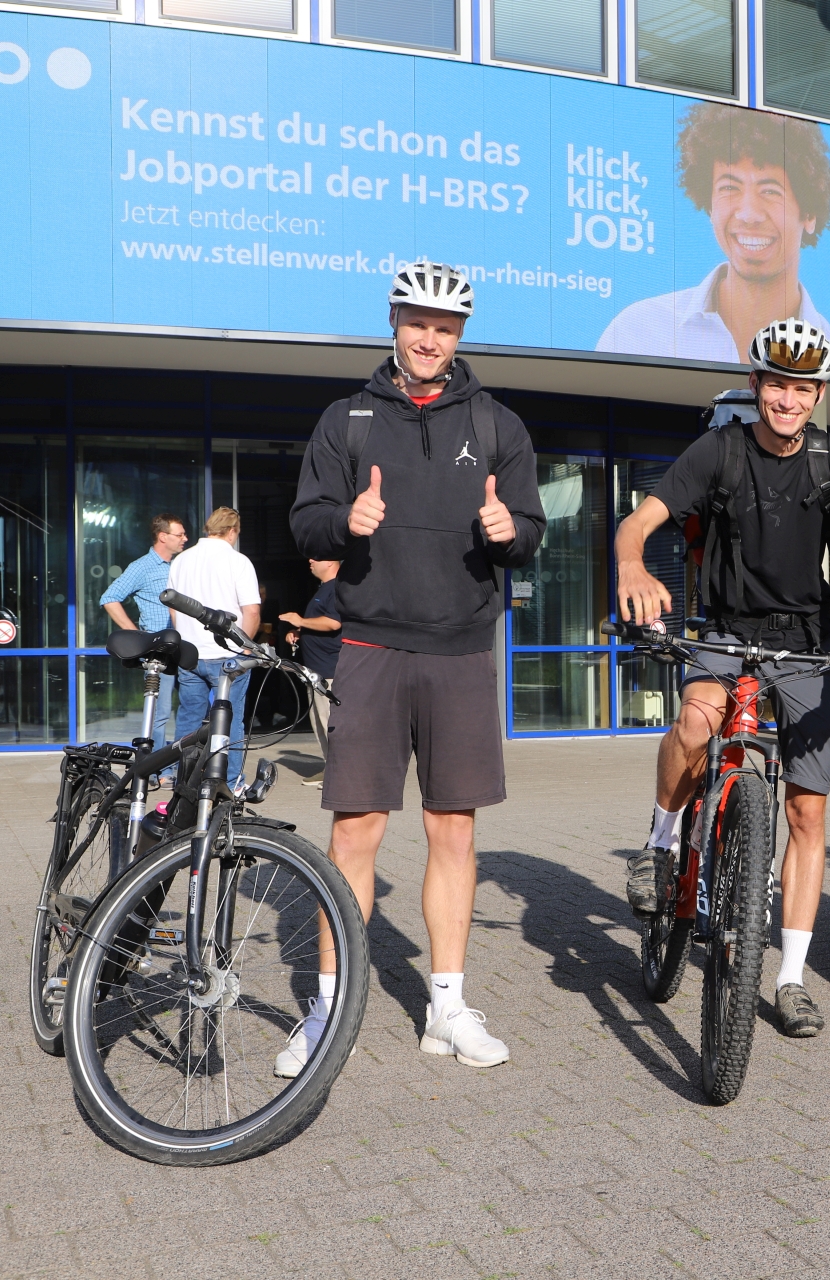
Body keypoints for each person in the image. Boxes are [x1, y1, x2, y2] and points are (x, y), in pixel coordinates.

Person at [285, 258, 546, 1078]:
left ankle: (447, 1007)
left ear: (460, 334)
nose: (430, 339)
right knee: (353, 831)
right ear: (393, 323)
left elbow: (534, 529)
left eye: (445, 328)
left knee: (453, 830)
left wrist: (511, 532)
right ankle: (330, 1009)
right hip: (369, 645)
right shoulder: (348, 419)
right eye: (418, 324)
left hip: (461, 648)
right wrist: (344, 521)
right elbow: (305, 522)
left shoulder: (497, 423)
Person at [615, 319, 830, 1038]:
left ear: (818, 394)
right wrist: (631, 566)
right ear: (756, 385)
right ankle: (661, 844)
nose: (787, 399)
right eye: (776, 384)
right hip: (724, 628)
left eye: (802, 388)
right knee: (696, 722)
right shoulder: (720, 450)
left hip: (805, 640)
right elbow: (637, 523)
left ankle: (791, 978)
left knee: (807, 812)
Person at [595, 103, 830, 378]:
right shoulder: (637, 333)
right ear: (709, 205)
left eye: (770, 191)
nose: (748, 214)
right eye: (729, 187)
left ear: (809, 213)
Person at [167, 506, 261, 788]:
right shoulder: (238, 561)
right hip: (228, 655)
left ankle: (184, 782)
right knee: (230, 722)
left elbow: (174, 609)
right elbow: (252, 611)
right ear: (232, 531)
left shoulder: (181, 560)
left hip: (190, 654)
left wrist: (186, 637)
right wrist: (246, 649)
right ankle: (230, 783)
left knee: (188, 722)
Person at [98, 513, 188, 780]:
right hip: (159, 652)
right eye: (180, 534)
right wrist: (136, 635)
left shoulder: (182, 565)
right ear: (163, 536)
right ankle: (156, 770)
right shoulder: (142, 566)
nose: (185, 538)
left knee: (190, 711)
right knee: (159, 715)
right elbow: (109, 598)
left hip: (186, 647)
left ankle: (182, 769)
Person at [278, 558, 341, 787]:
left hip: (329, 670)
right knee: (319, 722)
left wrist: (301, 620)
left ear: (331, 562)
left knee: (330, 722)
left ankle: (341, 775)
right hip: (316, 670)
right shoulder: (323, 589)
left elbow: (334, 623)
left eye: (317, 557)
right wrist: (300, 630)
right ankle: (331, 769)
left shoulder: (338, 588)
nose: (310, 560)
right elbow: (321, 623)